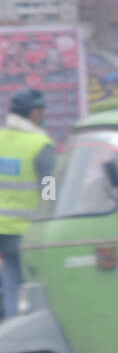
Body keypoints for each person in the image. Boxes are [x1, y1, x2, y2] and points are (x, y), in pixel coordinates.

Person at [0, 89, 56, 324]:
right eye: (42, 111)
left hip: (3, 231)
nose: (43, 116)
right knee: (35, 291)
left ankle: (14, 346)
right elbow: (50, 189)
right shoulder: (40, 144)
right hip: (30, 233)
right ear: (34, 113)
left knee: (12, 286)